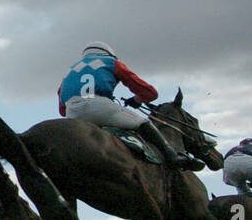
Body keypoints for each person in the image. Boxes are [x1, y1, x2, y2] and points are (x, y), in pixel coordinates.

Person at [57, 42, 189, 168]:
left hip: (72, 114)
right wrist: (136, 100)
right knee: (142, 123)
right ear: (109, 53)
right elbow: (150, 93)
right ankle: (173, 156)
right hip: (99, 106)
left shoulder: (69, 72)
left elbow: (62, 110)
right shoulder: (111, 63)